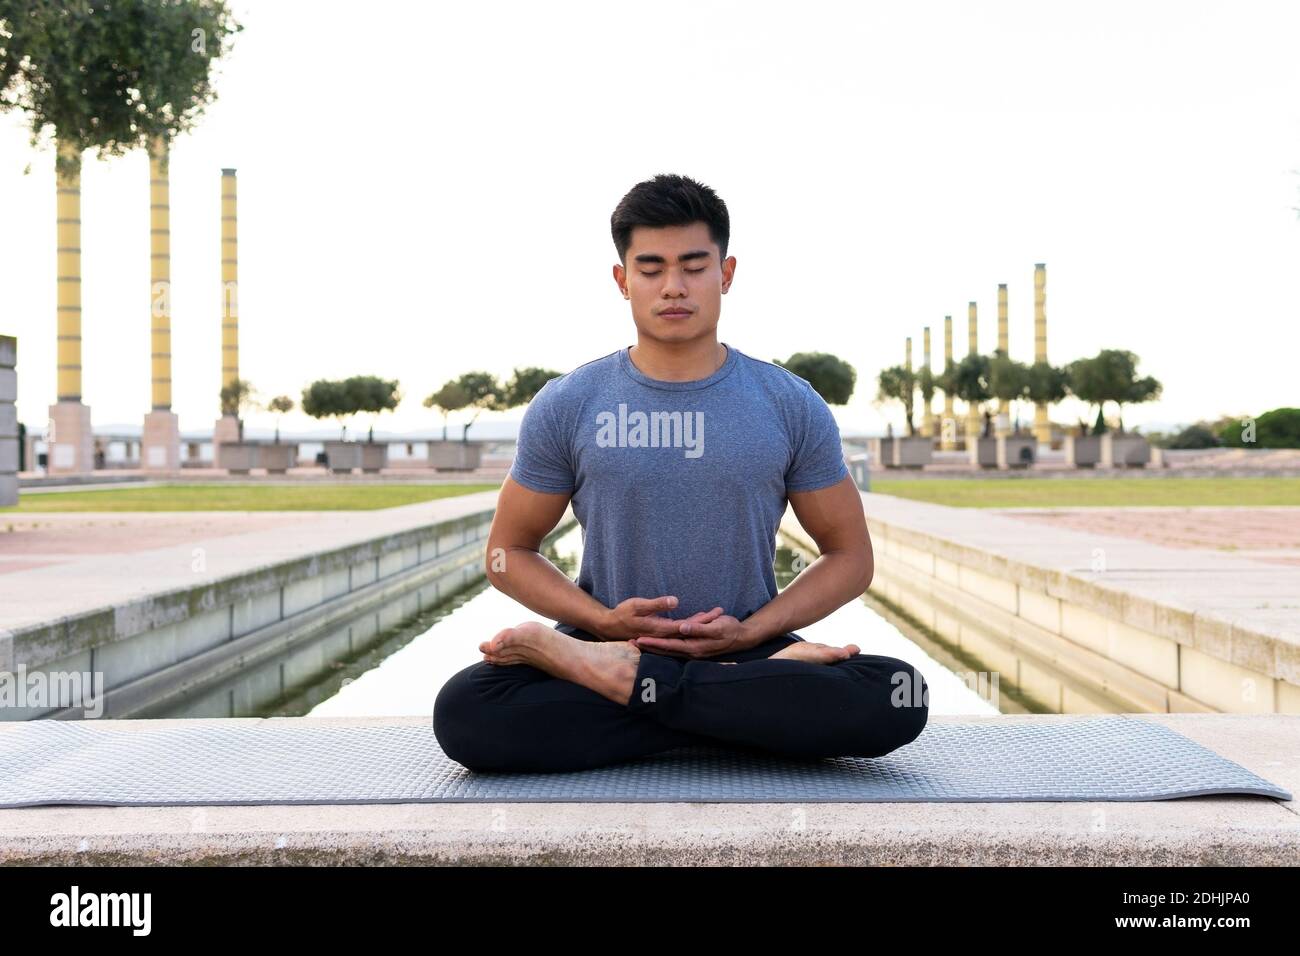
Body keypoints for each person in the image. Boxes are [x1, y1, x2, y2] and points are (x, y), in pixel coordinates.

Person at [432, 174, 930, 773]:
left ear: (727, 273)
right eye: (651, 268)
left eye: (694, 266)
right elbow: (508, 552)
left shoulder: (788, 403)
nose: (673, 286)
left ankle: (669, 696)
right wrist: (600, 623)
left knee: (900, 695)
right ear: (622, 280)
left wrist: (752, 637)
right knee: (465, 711)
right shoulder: (570, 402)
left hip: (748, 645)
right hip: (603, 648)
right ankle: (734, 708)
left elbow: (851, 556)